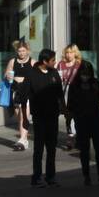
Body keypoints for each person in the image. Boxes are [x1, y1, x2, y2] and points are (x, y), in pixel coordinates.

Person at [24, 49, 64, 186]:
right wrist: (24, 117)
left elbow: (60, 93)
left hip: (53, 116)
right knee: (39, 148)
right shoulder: (32, 74)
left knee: (52, 147)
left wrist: (65, 110)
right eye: (53, 60)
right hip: (39, 117)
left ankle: (50, 177)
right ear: (45, 61)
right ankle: (36, 177)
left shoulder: (54, 73)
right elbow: (24, 96)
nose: (55, 62)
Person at [68, 61, 99, 185]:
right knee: (85, 150)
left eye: (87, 74)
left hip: (95, 120)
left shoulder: (94, 83)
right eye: (83, 74)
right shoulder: (74, 86)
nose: (85, 76)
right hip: (82, 121)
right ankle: (87, 176)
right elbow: (70, 104)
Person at [5, 39, 34, 151]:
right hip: (15, 90)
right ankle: (24, 139)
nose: (21, 53)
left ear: (27, 51)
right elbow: (6, 74)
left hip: (27, 91)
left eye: (23, 50)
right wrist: (8, 76)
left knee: (24, 116)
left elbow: (38, 75)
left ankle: (21, 139)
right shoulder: (13, 61)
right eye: (19, 51)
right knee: (19, 116)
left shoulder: (32, 62)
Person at [57, 44, 82, 148]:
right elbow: (58, 80)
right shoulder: (61, 64)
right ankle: (70, 137)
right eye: (67, 52)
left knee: (78, 116)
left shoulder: (79, 64)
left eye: (71, 52)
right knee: (69, 116)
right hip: (65, 94)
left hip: (78, 93)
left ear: (75, 53)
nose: (69, 55)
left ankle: (79, 137)